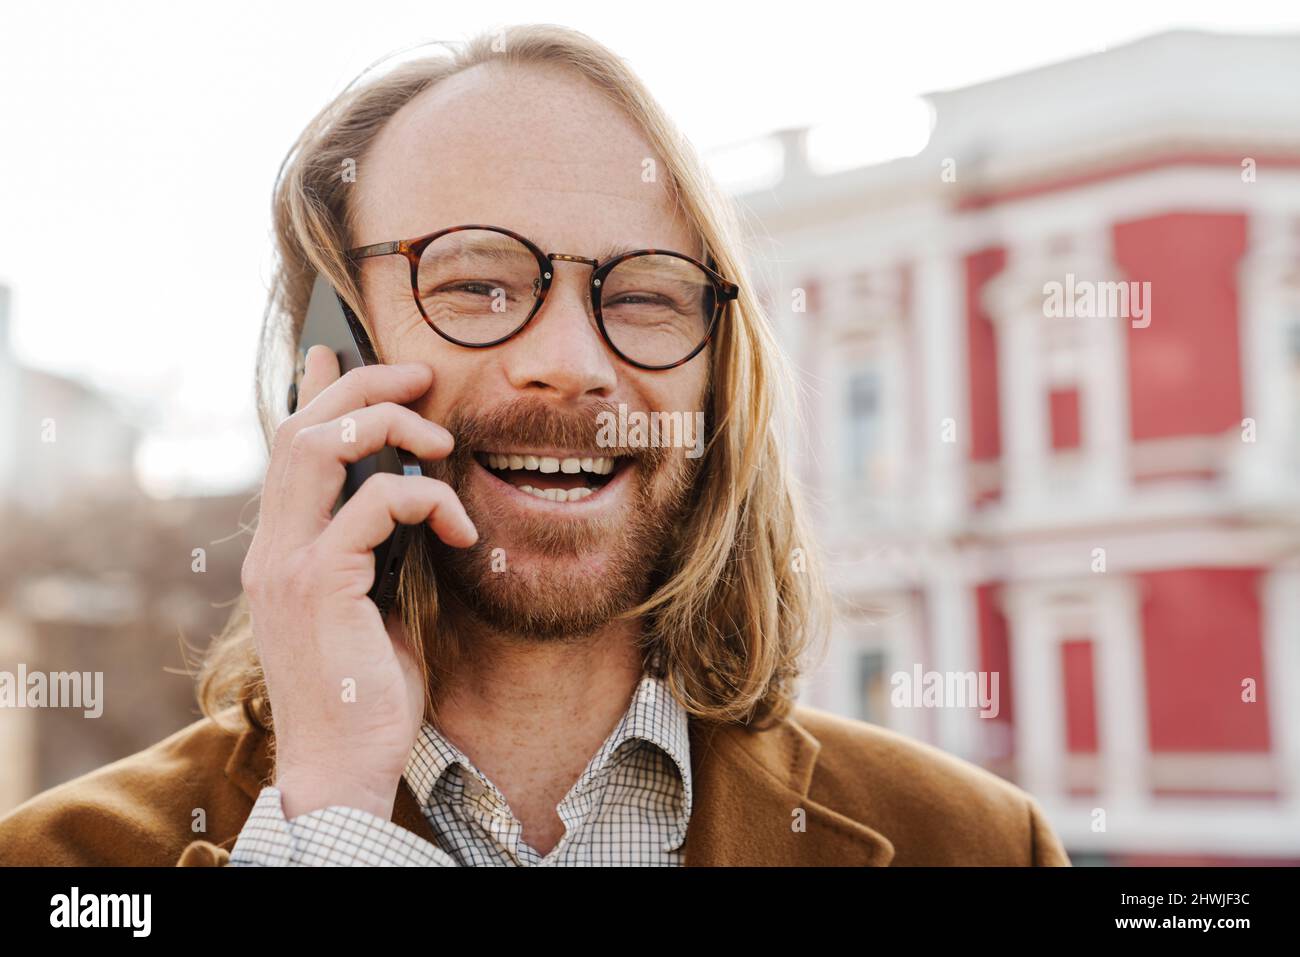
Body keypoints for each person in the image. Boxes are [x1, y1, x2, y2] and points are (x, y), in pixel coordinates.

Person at [0, 23, 1069, 867]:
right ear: (333, 351)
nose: (571, 362)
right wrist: (331, 820)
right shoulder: (59, 861)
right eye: (474, 283)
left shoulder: (977, 847)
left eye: (644, 293)